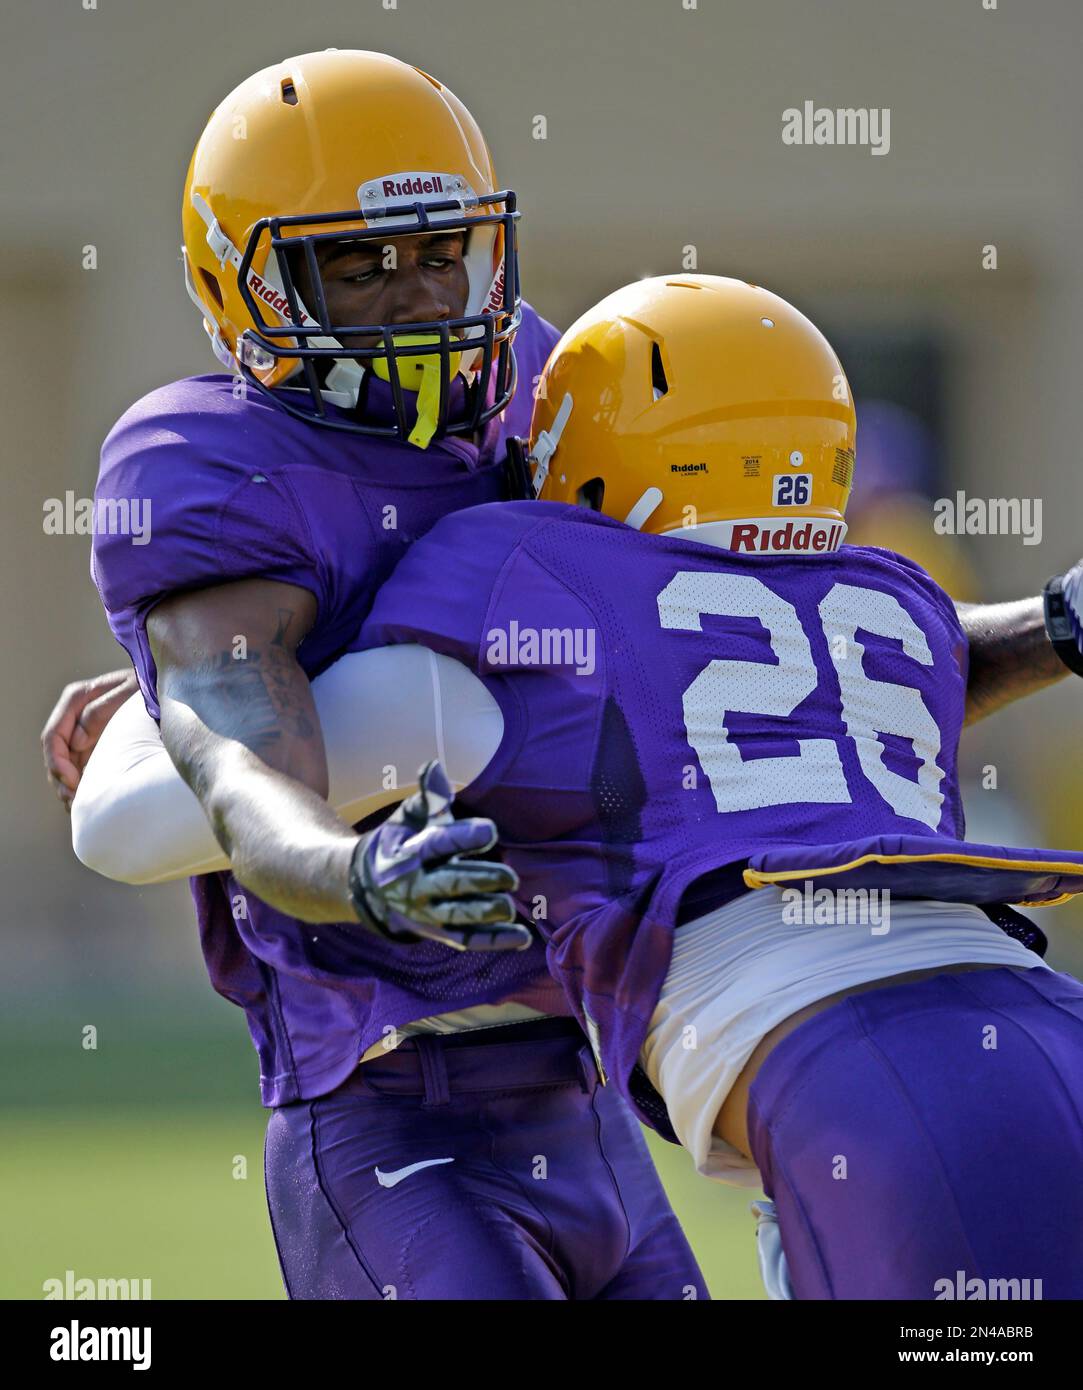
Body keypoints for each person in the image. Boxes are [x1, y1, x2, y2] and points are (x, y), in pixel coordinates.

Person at [71, 274, 1083, 1298]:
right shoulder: (890, 598)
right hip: (1039, 1008)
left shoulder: (523, 580)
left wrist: (162, 699)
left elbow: (158, 797)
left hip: (835, 1075)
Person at [64, 49, 708, 1301]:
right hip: (393, 1103)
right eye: (355, 265)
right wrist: (357, 870)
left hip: (590, 1089)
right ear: (238, 283)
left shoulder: (541, 383)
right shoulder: (210, 462)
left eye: (436, 251)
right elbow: (247, 765)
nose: (414, 293)